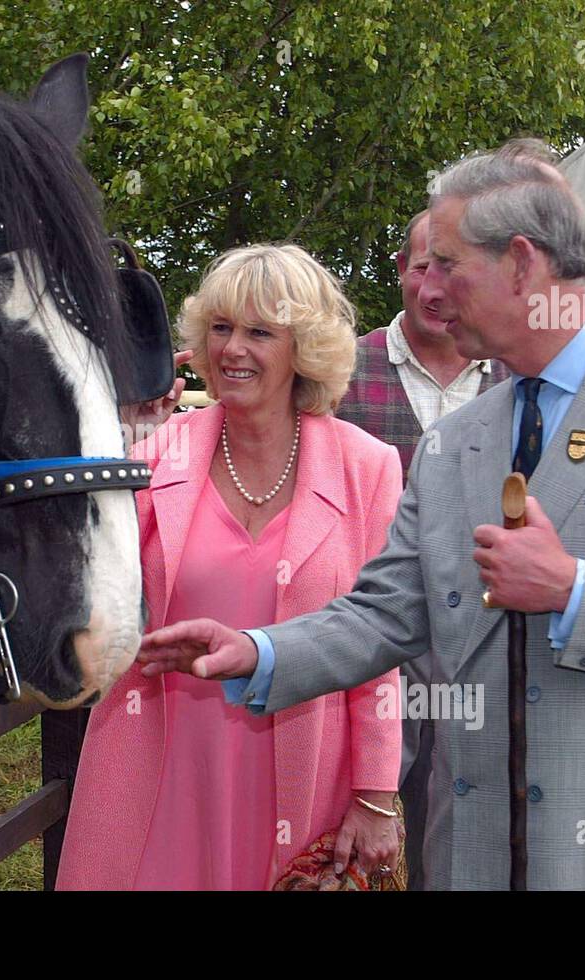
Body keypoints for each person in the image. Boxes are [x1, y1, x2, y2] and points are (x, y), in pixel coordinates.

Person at [138, 148, 585, 889]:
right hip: (470, 858)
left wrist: (575, 591)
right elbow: (384, 614)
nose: (427, 290)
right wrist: (258, 651)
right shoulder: (452, 444)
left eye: (445, 263)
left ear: (522, 264)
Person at [58, 243, 404, 890]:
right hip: (162, 766)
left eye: (259, 332)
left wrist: (376, 794)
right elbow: (84, 576)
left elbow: (381, 640)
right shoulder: (157, 454)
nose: (232, 349)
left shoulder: (368, 468)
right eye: (220, 328)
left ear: (302, 348)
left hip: (305, 770)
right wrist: (120, 439)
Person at [337, 208, 507, 889]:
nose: (435, 286)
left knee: (467, 835)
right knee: (350, 831)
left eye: (453, 267)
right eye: (422, 265)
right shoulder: (337, 370)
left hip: (484, 651)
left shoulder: (519, 380)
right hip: (369, 649)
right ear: (400, 272)